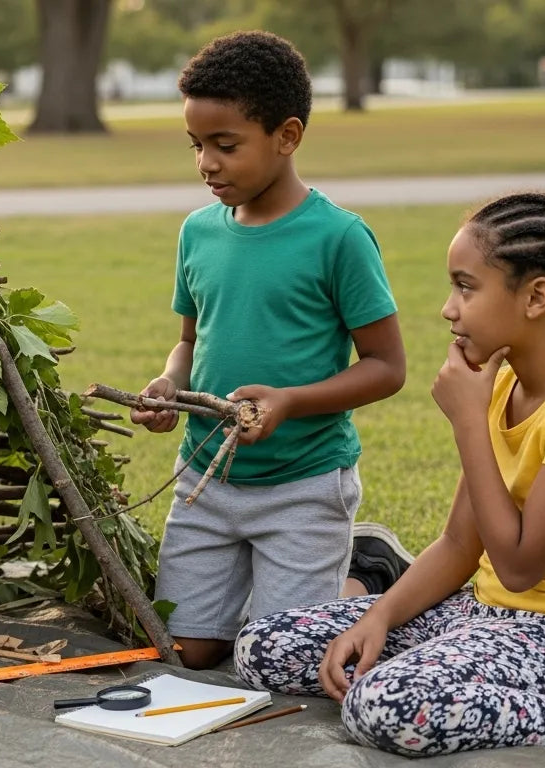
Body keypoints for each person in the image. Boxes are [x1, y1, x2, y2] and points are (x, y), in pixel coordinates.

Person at [234, 191, 545, 757]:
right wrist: (379, 619)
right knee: (262, 646)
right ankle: (387, 591)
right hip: (483, 612)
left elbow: (517, 566)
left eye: (465, 287)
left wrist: (469, 422)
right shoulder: (502, 381)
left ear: (537, 297)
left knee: (384, 706)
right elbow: (461, 543)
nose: (448, 307)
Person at [129, 30, 406, 670]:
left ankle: (365, 573)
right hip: (205, 480)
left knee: (281, 660)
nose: (207, 163)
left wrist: (289, 401)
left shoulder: (339, 238)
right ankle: (314, 580)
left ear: (287, 136)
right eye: (197, 145)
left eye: (226, 145)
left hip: (302, 485)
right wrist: (170, 384)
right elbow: (188, 344)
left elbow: (387, 369)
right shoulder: (197, 232)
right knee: (186, 651)